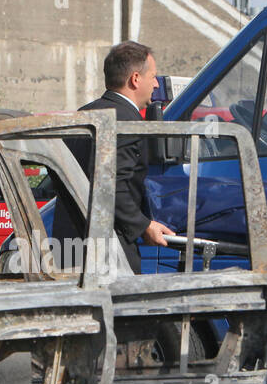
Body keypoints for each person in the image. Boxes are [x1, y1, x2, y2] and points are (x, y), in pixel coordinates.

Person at [53, 41, 177, 272]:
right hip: (108, 252)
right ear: (136, 79)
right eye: (153, 76)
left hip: (69, 247)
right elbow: (112, 186)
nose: (156, 83)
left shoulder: (83, 115)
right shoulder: (126, 122)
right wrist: (144, 226)